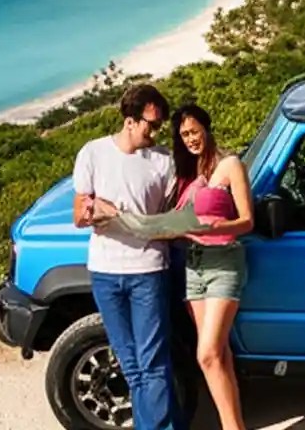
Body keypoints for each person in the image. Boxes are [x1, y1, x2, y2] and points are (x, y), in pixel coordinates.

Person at [72, 83, 182, 430]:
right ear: (130, 121)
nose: (156, 130)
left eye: (160, 123)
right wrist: (96, 209)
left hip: (148, 270)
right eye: (151, 122)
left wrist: (127, 217)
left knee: (153, 364)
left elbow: (171, 218)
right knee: (131, 366)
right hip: (105, 272)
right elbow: (79, 214)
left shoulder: (164, 161)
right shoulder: (93, 153)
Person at [169, 103, 253, 430]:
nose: (191, 139)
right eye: (184, 135)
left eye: (194, 131)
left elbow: (246, 221)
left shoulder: (231, 165)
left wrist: (212, 228)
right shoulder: (187, 174)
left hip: (224, 261)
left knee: (206, 354)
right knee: (219, 356)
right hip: (193, 264)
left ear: (206, 126)